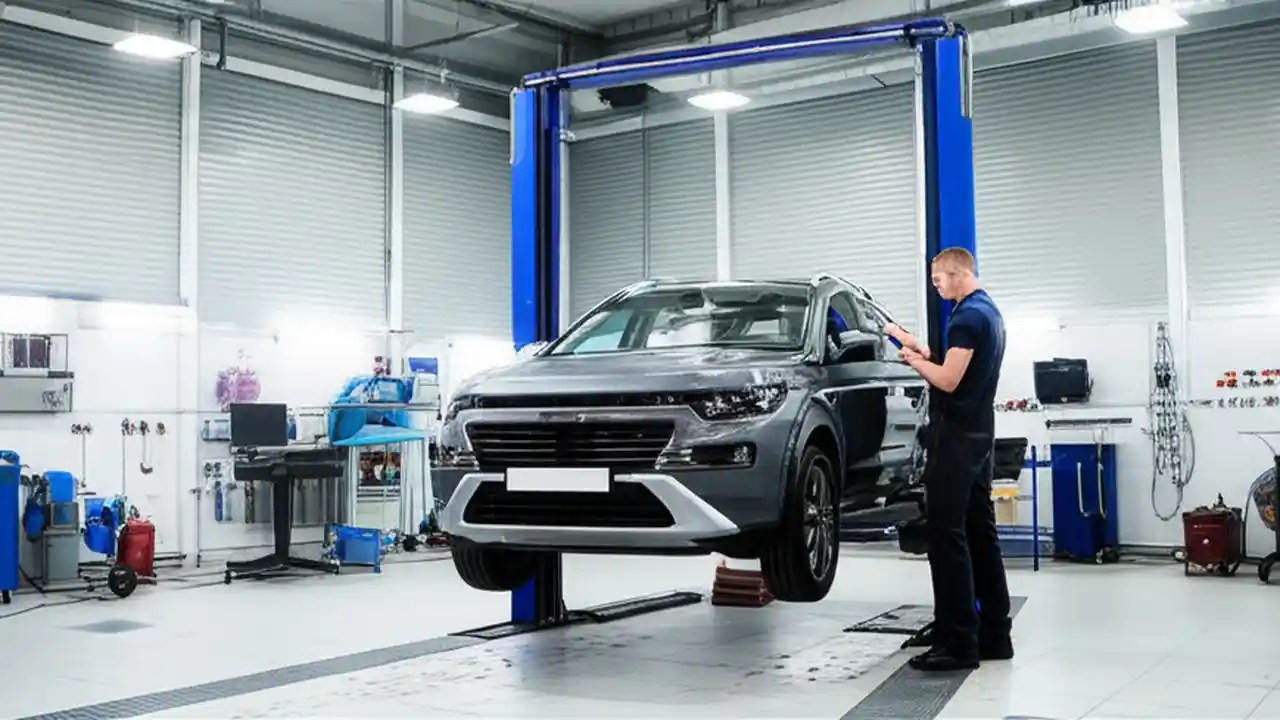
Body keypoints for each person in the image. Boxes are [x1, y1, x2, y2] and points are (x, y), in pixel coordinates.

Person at [884, 247, 1013, 672]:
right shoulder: (988, 311)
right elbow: (961, 366)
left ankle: (957, 643)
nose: (935, 287)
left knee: (946, 535)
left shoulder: (965, 317)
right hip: (980, 436)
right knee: (980, 533)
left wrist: (915, 362)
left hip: (956, 439)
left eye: (938, 281)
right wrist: (916, 345)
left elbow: (948, 379)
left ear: (957, 274)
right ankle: (994, 635)